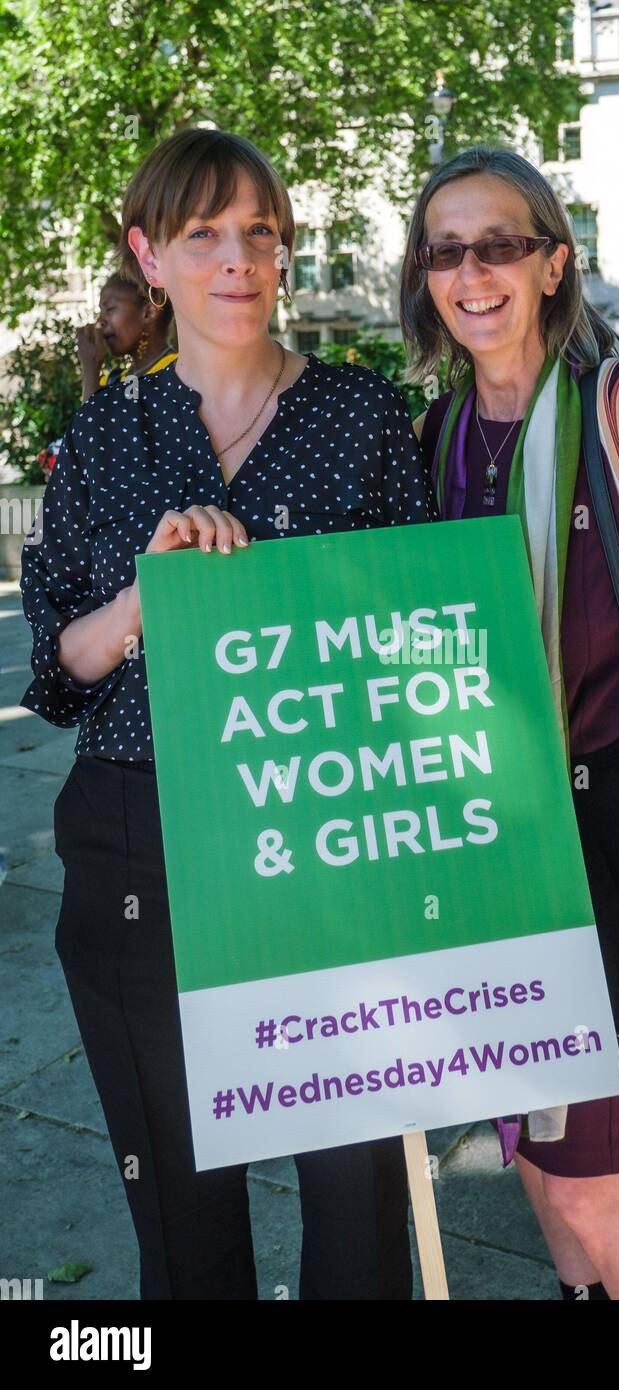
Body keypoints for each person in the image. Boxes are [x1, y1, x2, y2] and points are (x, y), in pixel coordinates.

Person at [19, 127, 437, 1301]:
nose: (237, 257)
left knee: (357, 1197)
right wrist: (143, 600)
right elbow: (58, 671)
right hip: (136, 833)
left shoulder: (359, 416)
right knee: (184, 1209)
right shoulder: (104, 431)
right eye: (202, 233)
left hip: (323, 830)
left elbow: (416, 645)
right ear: (149, 258)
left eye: (259, 230)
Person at [402, 145, 619, 1302]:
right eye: (444, 250)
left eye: (497, 243)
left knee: (596, 1180)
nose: (469, 271)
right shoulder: (439, 434)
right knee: (539, 1168)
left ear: (553, 262)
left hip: (602, 835)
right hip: (492, 841)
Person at [77, 272, 177, 401]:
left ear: (149, 312)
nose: (100, 322)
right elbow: (89, 420)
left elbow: (95, 421)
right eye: (101, 311)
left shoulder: (177, 374)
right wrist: (91, 371)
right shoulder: (113, 381)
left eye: (110, 309)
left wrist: (90, 370)